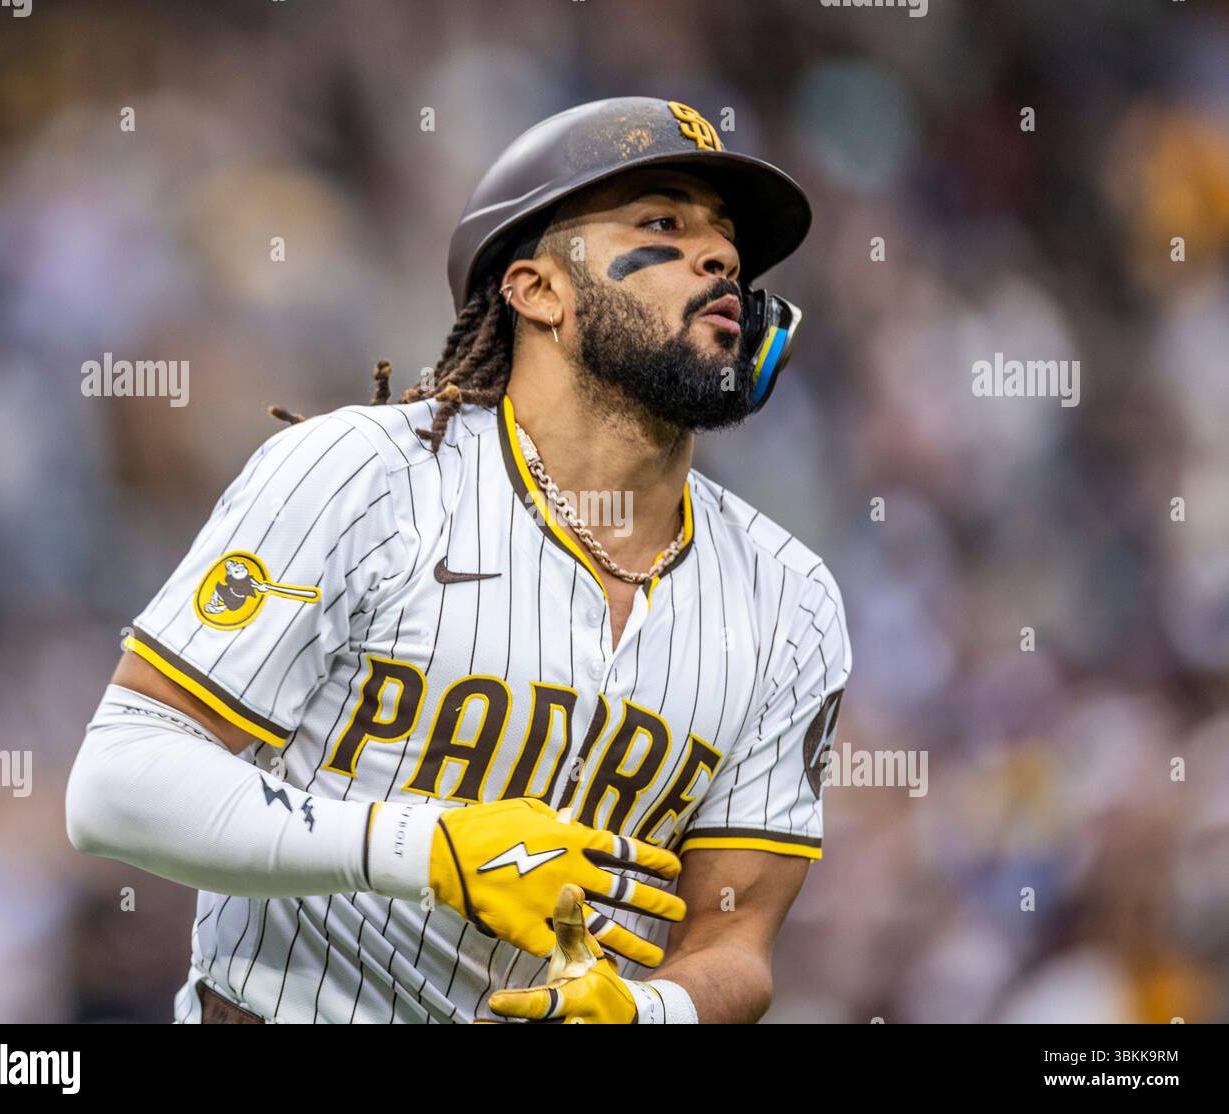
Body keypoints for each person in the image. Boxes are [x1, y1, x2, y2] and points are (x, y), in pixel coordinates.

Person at [65, 96, 850, 1024]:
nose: (719, 257)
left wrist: (647, 1013)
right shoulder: (366, 475)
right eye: (663, 223)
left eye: (728, 244)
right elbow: (115, 786)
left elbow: (735, 944)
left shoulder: (790, 596)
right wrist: (423, 848)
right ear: (537, 290)